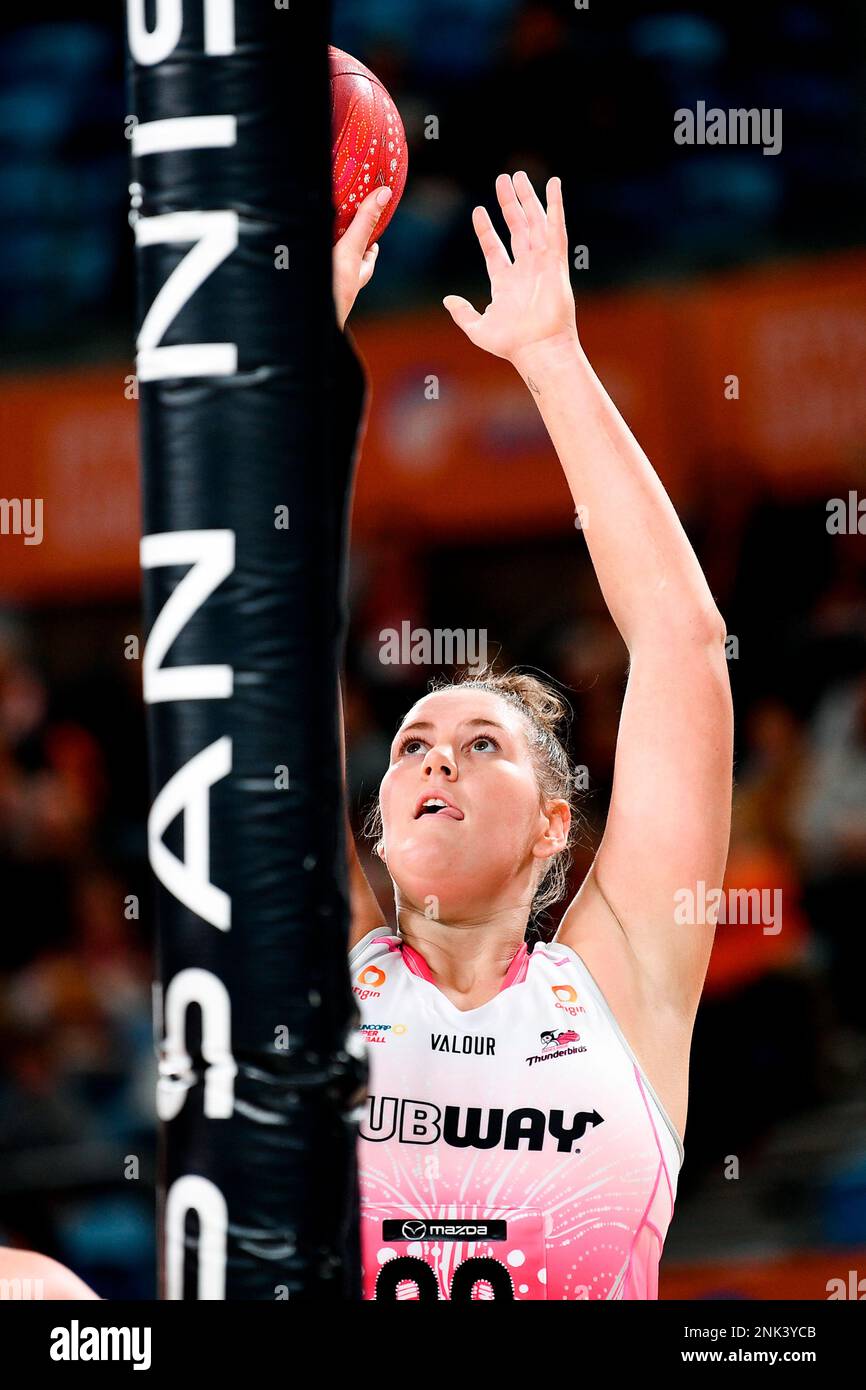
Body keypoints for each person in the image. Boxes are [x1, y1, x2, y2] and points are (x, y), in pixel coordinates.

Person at [334, 171, 734, 1301]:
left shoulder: (625, 983)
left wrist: (551, 356)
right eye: (412, 745)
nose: (436, 759)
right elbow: (256, 634)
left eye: (480, 744)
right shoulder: (325, 970)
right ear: (374, 818)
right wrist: (296, 369)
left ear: (554, 826)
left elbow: (680, 648)